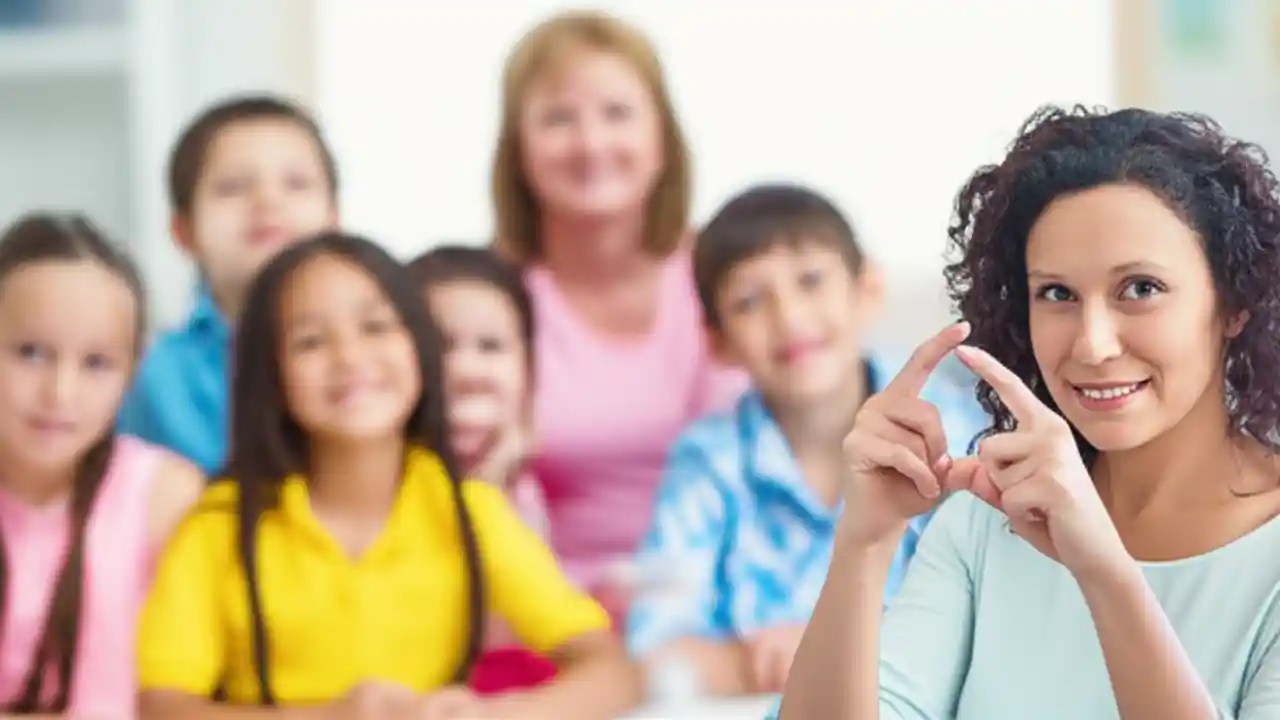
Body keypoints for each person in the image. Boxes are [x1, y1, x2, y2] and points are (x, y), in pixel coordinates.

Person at [777, 106, 1280, 718]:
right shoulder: (981, 525)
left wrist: (1104, 570)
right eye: (1057, 294)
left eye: (1140, 289)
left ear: (1235, 302)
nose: (1092, 344)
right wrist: (864, 545)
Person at [137, 233, 640, 720]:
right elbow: (162, 708)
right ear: (271, 376)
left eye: (376, 327)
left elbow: (612, 670)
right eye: (310, 342)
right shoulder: (219, 527)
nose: (350, 358)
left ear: (420, 348)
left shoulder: (468, 512)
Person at [625, 185, 988, 697]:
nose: (789, 318)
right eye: (750, 301)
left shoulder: (954, 427)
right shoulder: (708, 460)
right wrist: (761, 662)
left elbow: (990, 622)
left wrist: (828, 648)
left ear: (868, 290)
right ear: (717, 340)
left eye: (811, 281)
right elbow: (655, 649)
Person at [491, 10, 747, 604]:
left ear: (662, 139)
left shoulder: (727, 278)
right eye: (558, 118)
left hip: (727, 605)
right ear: (518, 151)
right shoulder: (488, 303)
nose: (590, 143)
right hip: (552, 618)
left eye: (616, 113)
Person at [0, 214, 201, 716]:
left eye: (96, 363)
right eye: (30, 353)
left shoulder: (165, 496)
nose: (60, 393)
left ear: (133, 370)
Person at [119, 95, 340, 475]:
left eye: (297, 183)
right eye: (233, 187)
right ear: (184, 231)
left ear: (334, 220)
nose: (268, 201)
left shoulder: (378, 353)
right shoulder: (149, 377)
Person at [409, 245, 556, 694]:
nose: (466, 369)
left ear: (527, 371)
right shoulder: (391, 485)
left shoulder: (522, 486)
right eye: (440, 347)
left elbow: (524, 624)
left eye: (491, 347)